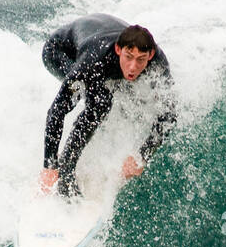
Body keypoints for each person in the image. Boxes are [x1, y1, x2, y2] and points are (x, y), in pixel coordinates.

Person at [39, 14, 176, 197]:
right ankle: (65, 171)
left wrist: (142, 155)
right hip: (61, 51)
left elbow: (169, 115)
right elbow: (57, 111)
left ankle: (69, 162)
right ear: (119, 50)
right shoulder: (94, 61)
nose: (133, 67)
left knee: (126, 98)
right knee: (101, 102)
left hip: (99, 40)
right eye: (129, 57)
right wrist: (49, 166)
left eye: (141, 60)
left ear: (150, 55)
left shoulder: (158, 61)